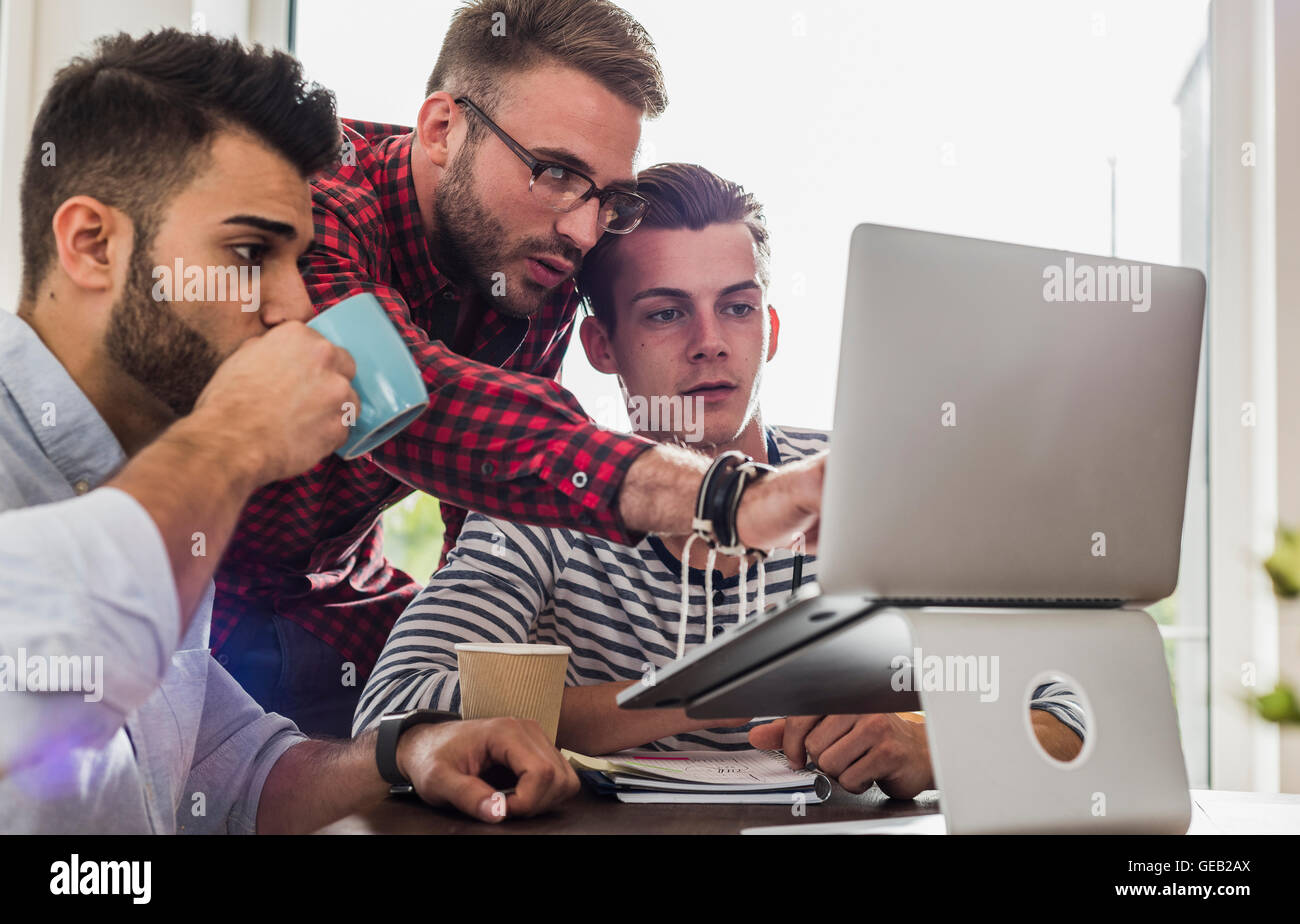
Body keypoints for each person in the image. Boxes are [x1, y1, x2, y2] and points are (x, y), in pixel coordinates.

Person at [354, 164, 1087, 799]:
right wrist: (722, 689)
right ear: (602, 345)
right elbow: (395, 708)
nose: (710, 341)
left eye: (736, 307)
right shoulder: (548, 501)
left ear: (769, 326)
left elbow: (1072, 707)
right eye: (667, 312)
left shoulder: (864, 487)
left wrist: (928, 748)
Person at [0, 29, 577, 834]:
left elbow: (229, 768)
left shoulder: (153, 469)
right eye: (248, 253)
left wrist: (402, 752)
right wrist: (233, 443)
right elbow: (33, 687)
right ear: (93, 245)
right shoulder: (176, 474)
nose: (297, 307)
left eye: (297, 258)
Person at [211, 0, 825, 739]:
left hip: (336, 612)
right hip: (185, 608)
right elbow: (398, 397)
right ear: (442, 129)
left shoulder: (540, 265)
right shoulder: (314, 203)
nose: (581, 229)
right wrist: (723, 497)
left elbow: (483, 515)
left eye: (606, 195)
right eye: (556, 171)